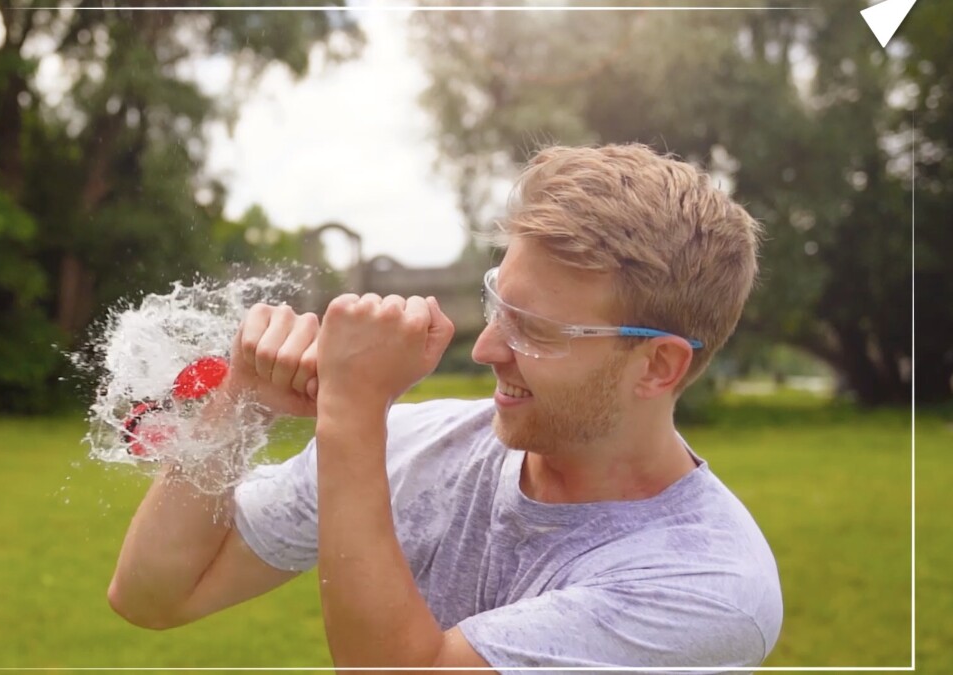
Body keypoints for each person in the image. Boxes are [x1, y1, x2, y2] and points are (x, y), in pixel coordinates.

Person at [107, 144, 783, 672]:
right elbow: (154, 593)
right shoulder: (414, 444)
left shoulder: (710, 587)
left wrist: (351, 409)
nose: (487, 346)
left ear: (658, 364)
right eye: (499, 305)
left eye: (538, 330)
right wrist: (242, 399)